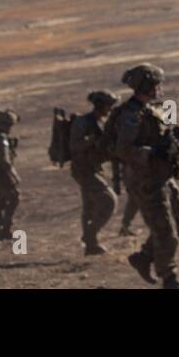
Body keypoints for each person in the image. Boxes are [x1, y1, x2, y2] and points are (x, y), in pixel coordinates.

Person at [114, 64, 179, 289]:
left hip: (163, 177)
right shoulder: (130, 115)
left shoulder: (150, 110)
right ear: (145, 86)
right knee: (166, 233)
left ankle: (144, 256)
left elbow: (158, 137)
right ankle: (170, 279)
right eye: (155, 85)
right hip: (146, 181)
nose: (159, 88)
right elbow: (123, 149)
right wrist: (152, 152)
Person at [69, 90, 118, 255]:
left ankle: (91, 246)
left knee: (89, 207)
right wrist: (91, 141)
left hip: (93, 168)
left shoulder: (100, 122)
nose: (110, 109)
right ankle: (89, 235)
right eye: (108, 106)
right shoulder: (83, 122)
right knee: (109, 201)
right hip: (83, 170)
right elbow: (74, 146)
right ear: (101, 105)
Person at [0, 109, 21, 243]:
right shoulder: (1, 139)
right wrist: (15, 175)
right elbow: (5, 161)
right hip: (1, 175)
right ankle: (5, 230)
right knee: (14, 198)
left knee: (1, 201)